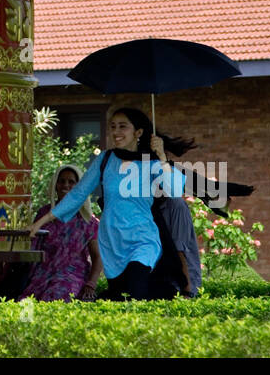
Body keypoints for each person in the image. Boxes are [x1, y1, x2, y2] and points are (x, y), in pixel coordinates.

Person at [29, 107, 185, 301]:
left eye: (123, 126)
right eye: (113, 126)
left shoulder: (151, 162)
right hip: (112, 240)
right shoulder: (105, 160)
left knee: (136, 289)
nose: (116, 132)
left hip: (143, 238)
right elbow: (78, 193)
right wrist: (41, 221)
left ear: (138, 132)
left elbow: (175, 190)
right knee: (120, 296)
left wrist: (161, 156)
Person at [19, 164, 102, 301]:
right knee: (25, 305)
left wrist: (91, 284)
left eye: (71, 182)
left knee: (57, 297)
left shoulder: (87, 220)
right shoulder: (44, 214)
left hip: (72, 275)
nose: (66, 185)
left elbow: (97, 257)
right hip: (42, 275)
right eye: (62, 181)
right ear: (55, 185)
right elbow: (33, 247)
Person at [148, 195, 202, 299]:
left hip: (181, 283)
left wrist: (186, 290)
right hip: (162, 279)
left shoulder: (176, 205)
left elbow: (180, 250)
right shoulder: (150, 205)